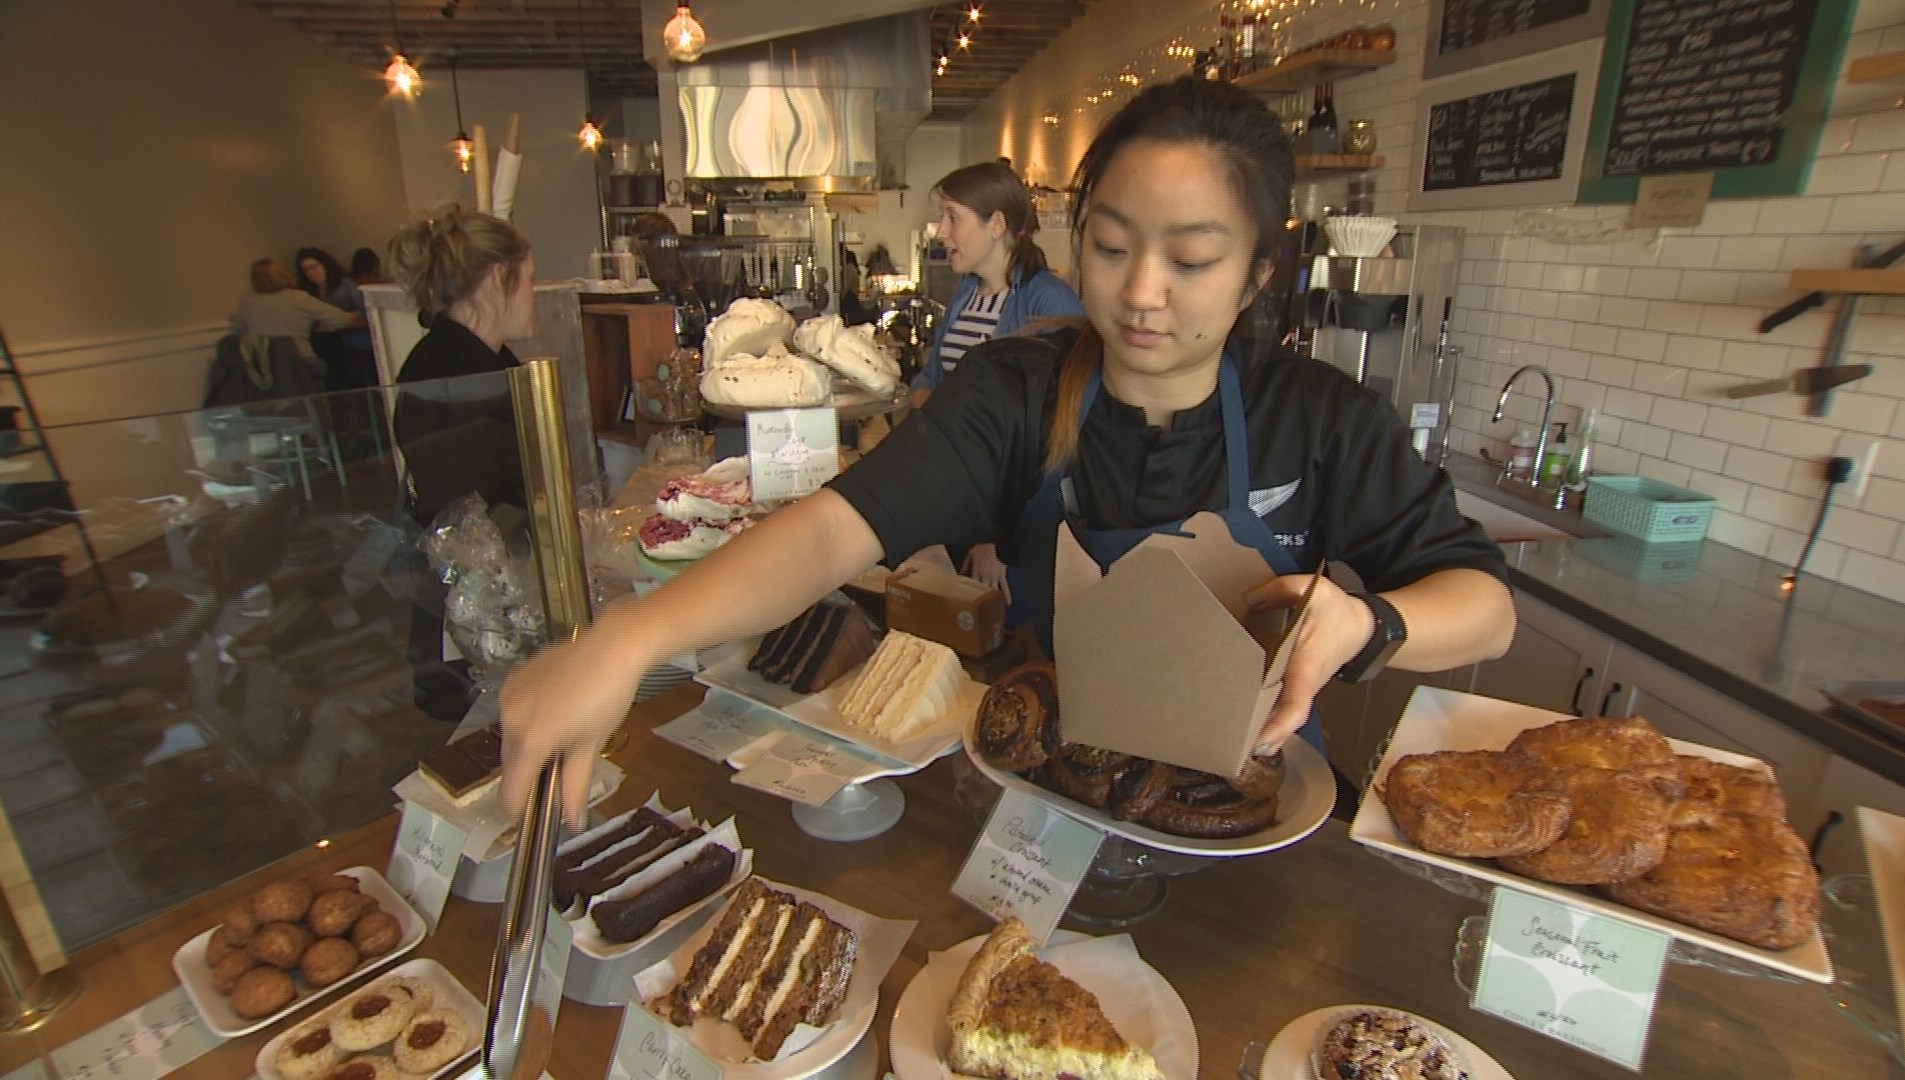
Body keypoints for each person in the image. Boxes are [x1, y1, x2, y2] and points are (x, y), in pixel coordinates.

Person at [499, 77, 1516, 822]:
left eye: (1193, 259)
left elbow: (1485, 603)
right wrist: (628, 639)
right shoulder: (1019, 395)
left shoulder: (1322, 418)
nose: (1142, 291)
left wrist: (1369, 623)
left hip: (1258, 796)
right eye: (1112, 247)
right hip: (1054, 786)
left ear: (1256, 276)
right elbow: (826, 535)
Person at [386, 204, 534, 527]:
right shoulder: (445, 381)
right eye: (529, 279)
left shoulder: (489, 362)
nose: (532, 295)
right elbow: (480, 523)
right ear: (499, 276)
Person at [910, 161, 1082, 408]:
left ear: (996, 225)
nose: (941, 232)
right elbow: (932, 376)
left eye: (953, 217)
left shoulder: (1050, 300)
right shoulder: (965, 293)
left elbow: (1073, 403)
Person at [229, 258, 355, 369]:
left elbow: (237, 330)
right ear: (282, 274)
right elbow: (342, 320)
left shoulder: (247, 300)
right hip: (301, 361)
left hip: (261, 365)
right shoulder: (299, 298)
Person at [295, 246, 375, 390]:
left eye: (314, 267)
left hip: (350, 335)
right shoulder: (306, 293)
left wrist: (348, 318)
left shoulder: (345, 284)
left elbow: (366, 311)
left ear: (325, 264)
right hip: (323, 340)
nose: (311, 273)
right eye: (306, 270)